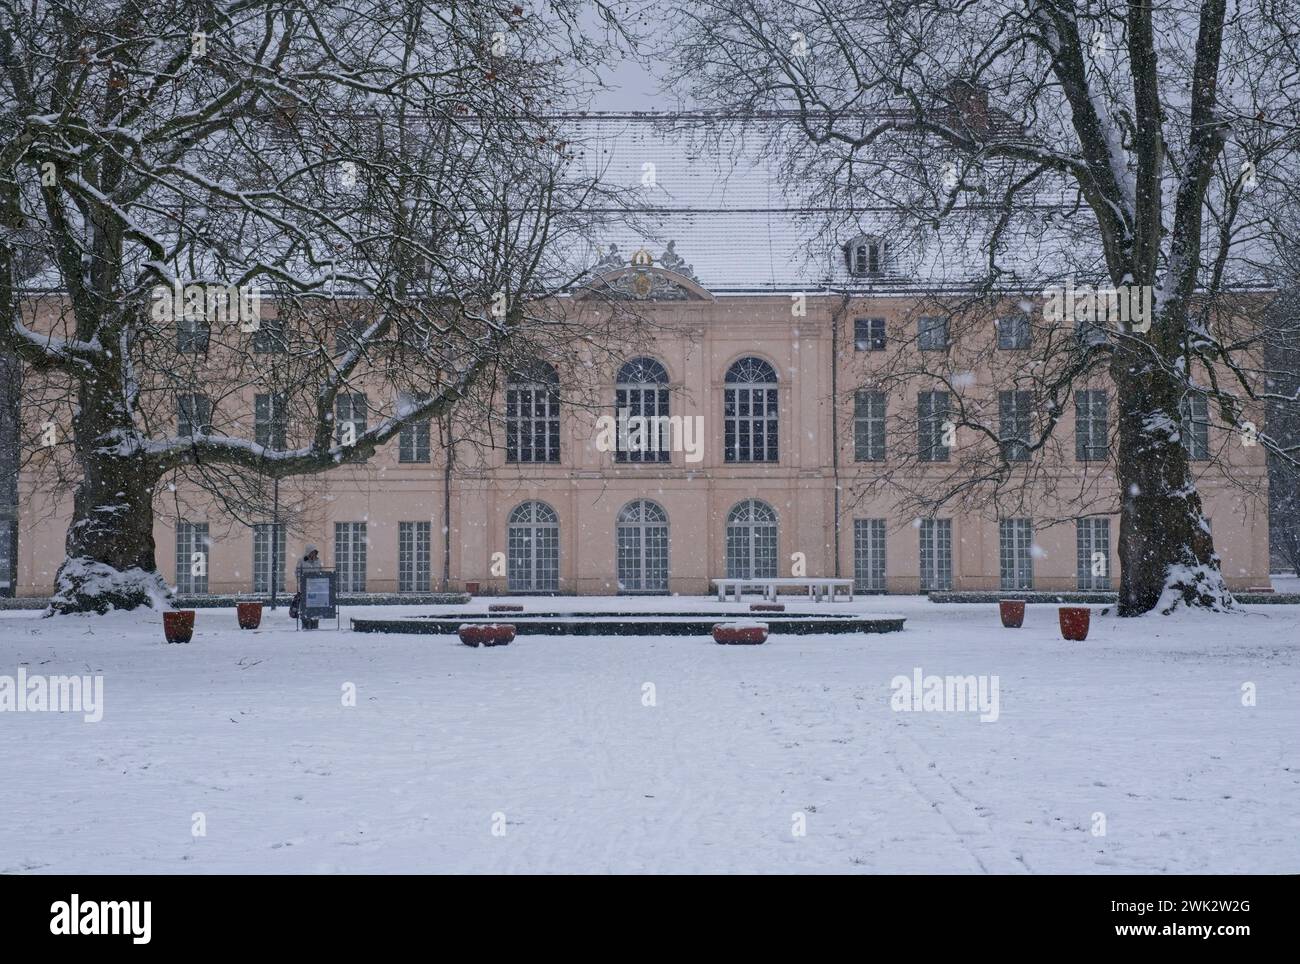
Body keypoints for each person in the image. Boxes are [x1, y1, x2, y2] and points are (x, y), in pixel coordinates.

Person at [291, 545, 322, 628]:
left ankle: (315, 624)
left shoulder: (318, 561)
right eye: (312, 552)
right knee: (305, 606)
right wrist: (301, 580)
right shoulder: (301, 561)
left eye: (314, 552)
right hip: (305, 588)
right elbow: (297, 573)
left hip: (316, 588)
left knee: (315, 606)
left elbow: (320, 572)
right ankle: (305, 623)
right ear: (308, 552)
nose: (313, 554)